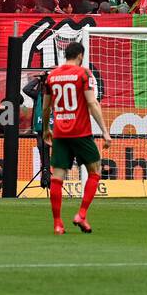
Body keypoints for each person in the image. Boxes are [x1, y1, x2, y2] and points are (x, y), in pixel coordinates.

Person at [42, 41, 111, 235]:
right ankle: (81, 214)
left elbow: (46, 107)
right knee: (95, 171)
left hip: (60, 133)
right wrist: (105, 131)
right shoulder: (83, 74)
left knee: (58, 177)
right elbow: (92, 103)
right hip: (80, 132)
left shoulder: (52, 76)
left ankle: (57, 224)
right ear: (80, 55)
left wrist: (46, 128)